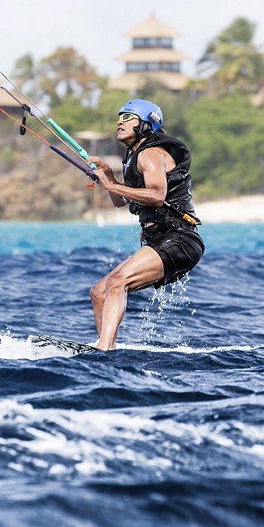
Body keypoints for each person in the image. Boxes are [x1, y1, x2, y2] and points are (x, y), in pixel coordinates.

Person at [87, 99, 204, 350]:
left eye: (128, 117)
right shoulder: (133, 157)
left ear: (146, 124)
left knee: (118, 281)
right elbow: (120, 201)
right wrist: (108, 175)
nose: (120, 120)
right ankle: (106, 346)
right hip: (162, 239)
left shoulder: (151, 154)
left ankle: (105, 348)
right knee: (99, 292)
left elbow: (157, 195)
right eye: (119, 116)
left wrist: (110, 185)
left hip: (180, 238)